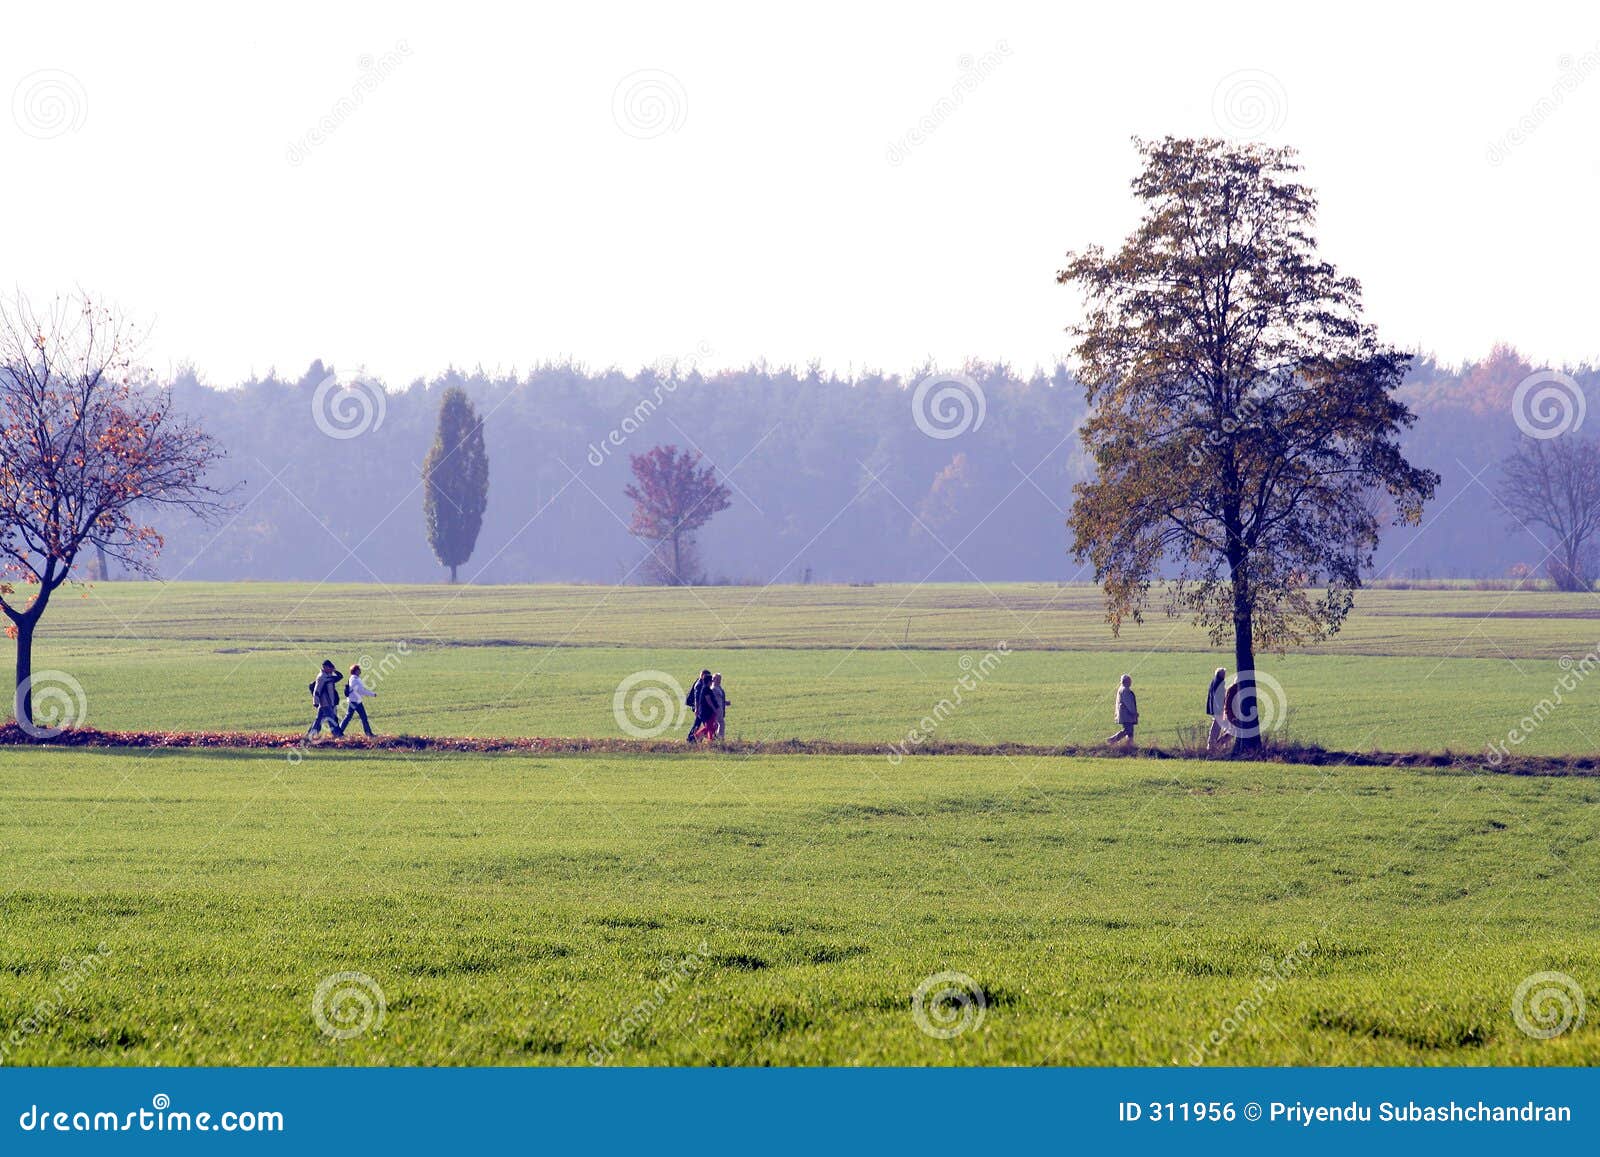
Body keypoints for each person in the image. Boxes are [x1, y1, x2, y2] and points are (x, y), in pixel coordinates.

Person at [306, 659, 344, 738]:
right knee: (332, 719)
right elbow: (317, 690)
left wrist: (334, 670)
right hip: (325, 703)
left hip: (329, 702)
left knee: (318, 720)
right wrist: (315, 702)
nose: (331, 669)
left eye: (331, 667)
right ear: (325, 667)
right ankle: (338, 735)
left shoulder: (329, 676)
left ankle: (310, 735)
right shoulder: (321, 677)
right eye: (329, 667)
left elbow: (340, 677)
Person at [340, 663, 378, 738]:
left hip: (356, 701)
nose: (360, 670)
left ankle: (369, 733)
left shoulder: (355, 678)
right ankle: (339, 732)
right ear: (356, 671)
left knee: (357, 717)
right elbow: (361, 691)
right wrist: (372, 694)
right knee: (351, 717)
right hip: (354, 701)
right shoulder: (355, 680)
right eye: (359, 669)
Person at [1105, 673, 1138, 745]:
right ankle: (1112, 740)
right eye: (1129, 681)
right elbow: (1128, 703)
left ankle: (1129, 745)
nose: (1130, 682)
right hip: (1126, 715)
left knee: (1130, 731)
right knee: (1128, 730)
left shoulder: (1122, 689)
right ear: (1125, 681)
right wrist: (1133, 713)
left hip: (1125, 714)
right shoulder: (1125, 690)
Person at [685, 669, 712, 742]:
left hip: (700, 707)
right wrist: (697, 709)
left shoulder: (700, 682)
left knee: (698, 723)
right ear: (703, 675)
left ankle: (692, 738)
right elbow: (697, 698)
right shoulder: (699, 685)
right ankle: (693, 738)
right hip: (699, 708)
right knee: (706, 724)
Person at [1205, 666, 1228, 753]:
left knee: (1216, 727)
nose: (1225, 675)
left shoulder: (1213, 682)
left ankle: (1212, 745)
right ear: (1221, 675)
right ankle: (1213, 746)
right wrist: (1221, 709)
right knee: (1218, 728)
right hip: (1219, 710)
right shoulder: (1220, 684)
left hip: (1214, 709)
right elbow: (1219, 698)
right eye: (1224, 674)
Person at [710, 672, 730, 739]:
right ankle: (720, 738)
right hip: (717, 709)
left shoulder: (718, 687)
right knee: (721, 723)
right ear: (714, 679)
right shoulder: (713, 689)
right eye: (717, 679)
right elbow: (713, 700)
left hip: (720, 709)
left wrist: (725, 702)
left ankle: (715, 738)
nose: (719, 681)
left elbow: (719, 698)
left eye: (720, 679)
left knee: (717, 724)